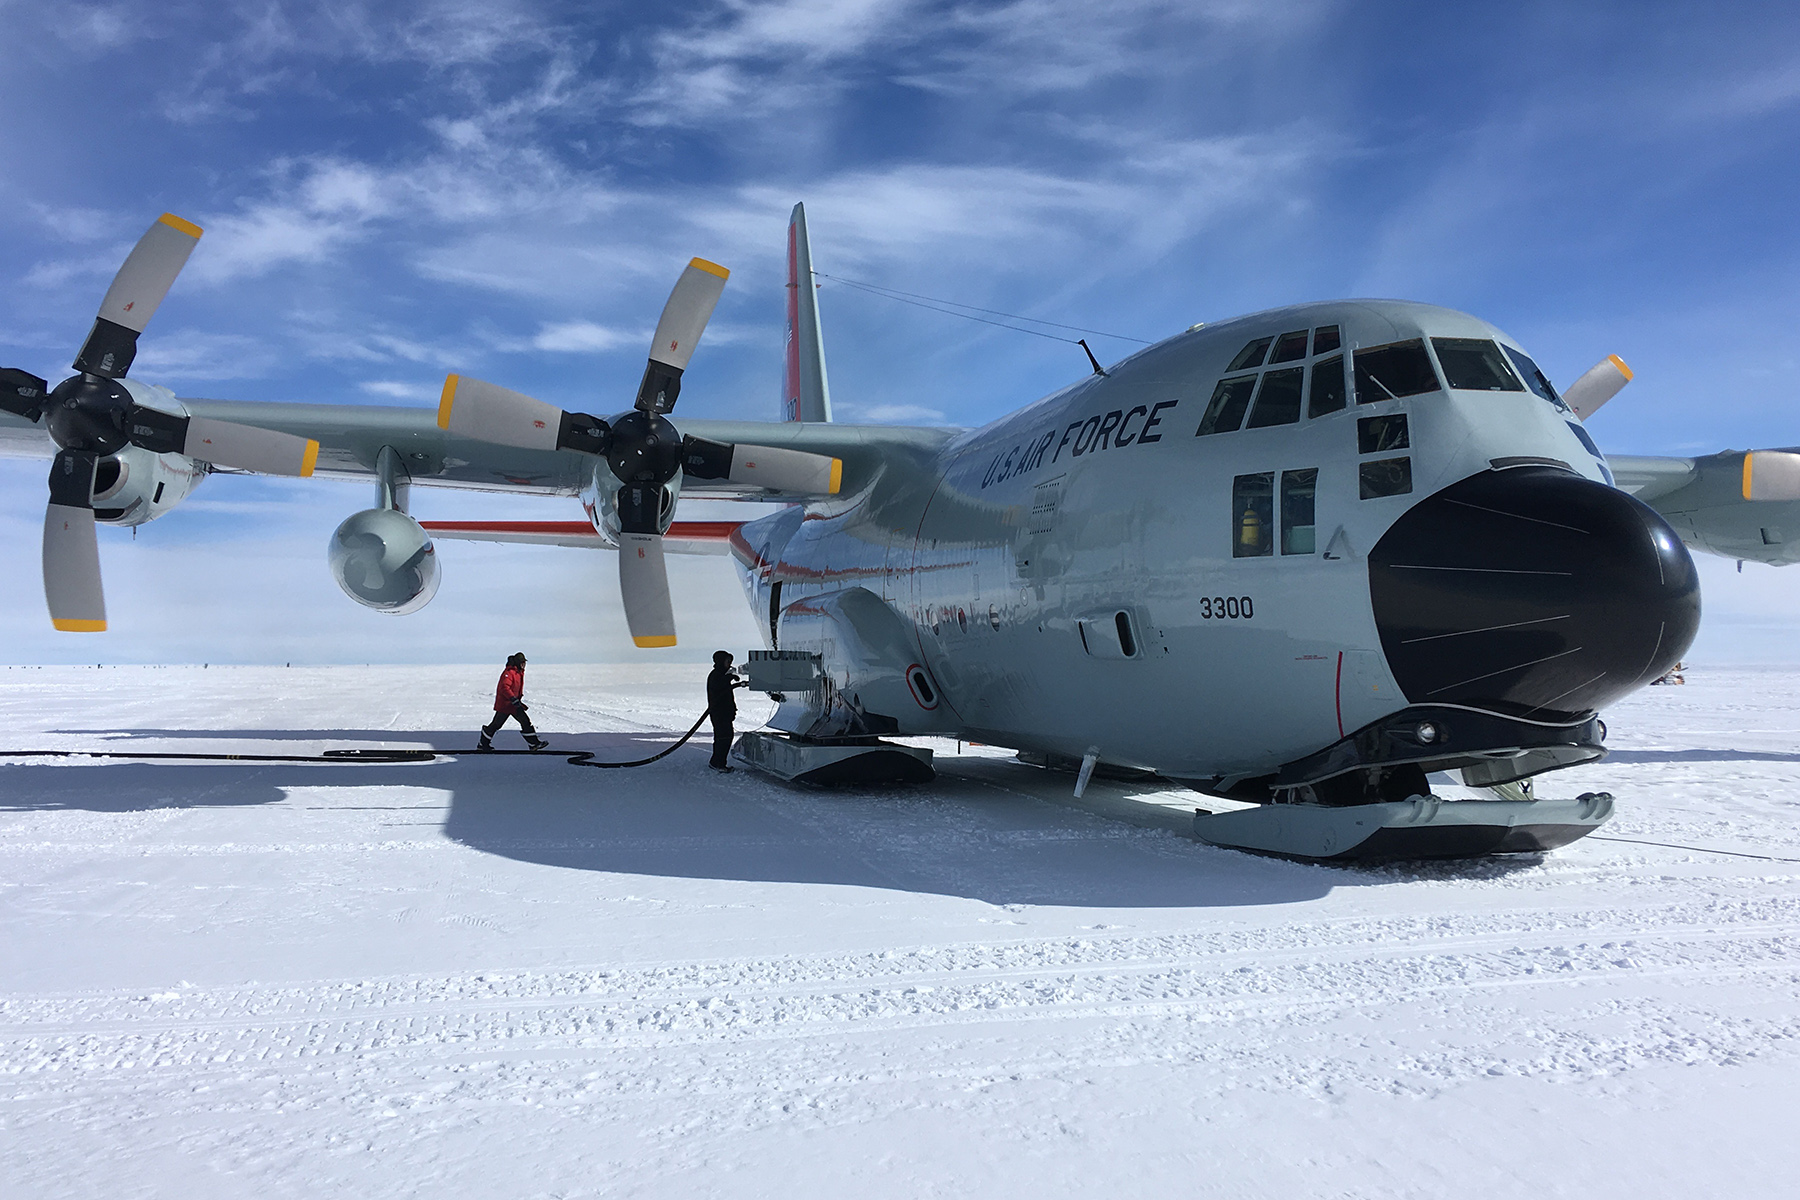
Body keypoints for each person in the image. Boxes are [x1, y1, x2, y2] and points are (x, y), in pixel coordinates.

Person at [479, 652, 548, 751]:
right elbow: (504, 687)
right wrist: (512, 698)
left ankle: (534, 744)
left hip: (513, 705)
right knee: (496, 725)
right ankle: (483, 744)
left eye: (524, 663)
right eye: (522, 663)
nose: (524, 665)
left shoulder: (518, 672)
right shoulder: (509, 673)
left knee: (525, 721)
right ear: (517, 663)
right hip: (506, 705)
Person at [706, 650, 747, 771]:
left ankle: (717, 762)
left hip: (723, 713)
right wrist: (730, 677)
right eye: (727, 661)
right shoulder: (716, 675)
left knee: (724, 737)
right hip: (719, 714)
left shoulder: (720, 675)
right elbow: (719, 686)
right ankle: (718, 763)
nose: (729, 664)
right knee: (723, 738)